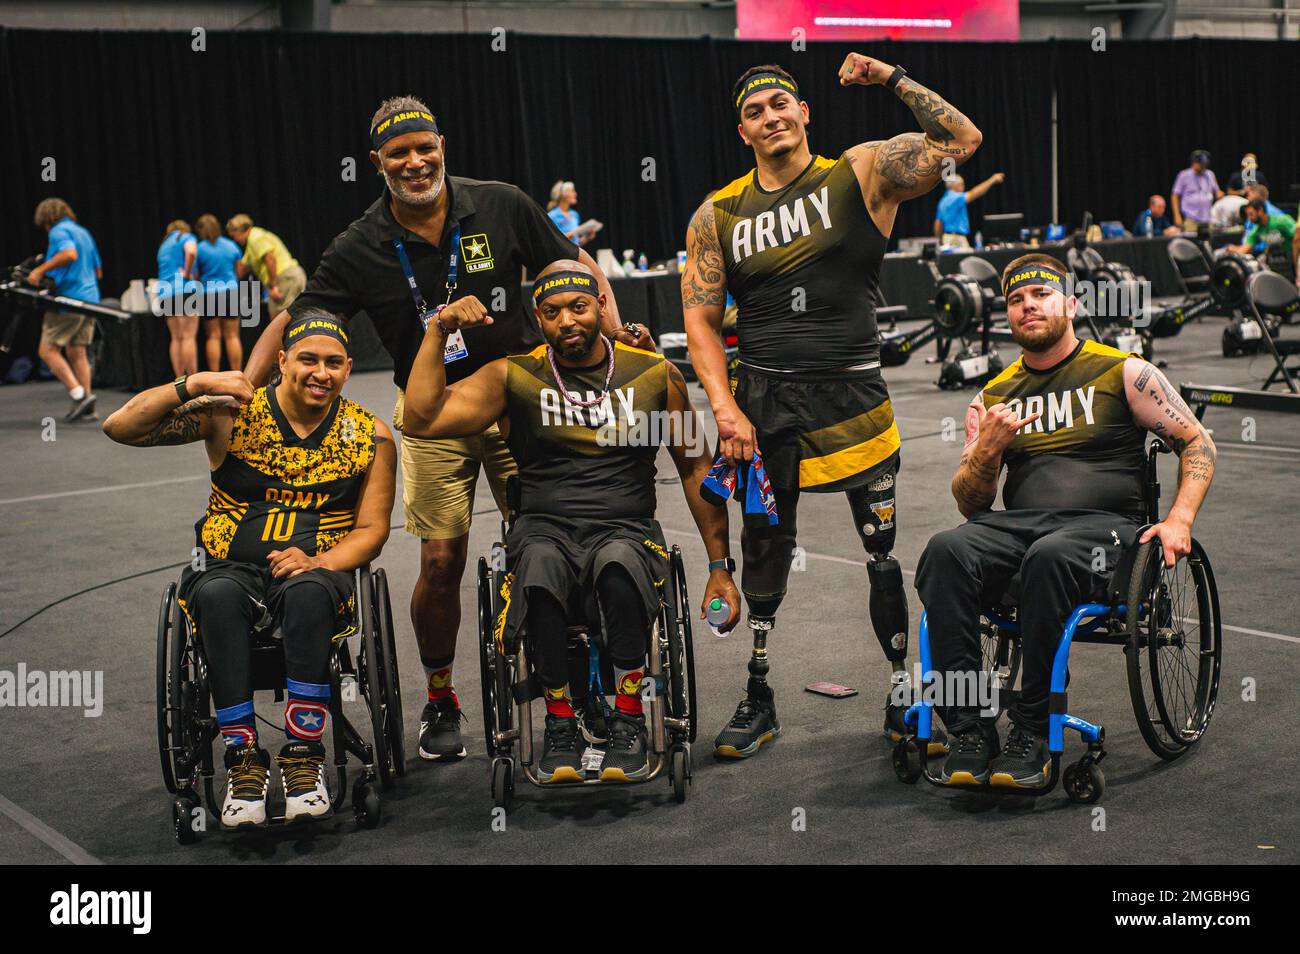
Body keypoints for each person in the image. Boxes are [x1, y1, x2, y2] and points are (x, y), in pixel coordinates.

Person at [242, 95, 649, 764]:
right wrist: (247, 383)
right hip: (432, 412)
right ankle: (439, 696)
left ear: (441, 145)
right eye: (397, 153)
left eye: (423, 147)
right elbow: (298, 319)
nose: (414, 161)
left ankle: (580, 687)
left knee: (565, 539)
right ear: (376, 163)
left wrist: (618, 332)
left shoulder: (502, 203)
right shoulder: (359, 245)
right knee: (439, 561)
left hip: (520, 397)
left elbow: (568, 267)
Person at [682, 55, 984, 760]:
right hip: (764, 407)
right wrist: (724, 408)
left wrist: (891, 78)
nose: (771, 118)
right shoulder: (718, 212)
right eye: (756, 112)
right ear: (742, 130)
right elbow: (699, 321)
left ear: (805, 112)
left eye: (781, 105)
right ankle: (758, 697)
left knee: (881, 555)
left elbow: (963, 139)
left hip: (854, 399)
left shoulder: (863, 172)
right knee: (767, 551)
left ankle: (903, 693)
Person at [402, 260, 740, 781]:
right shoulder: (513, 376)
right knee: (536, 568)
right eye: (552, 312)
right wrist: (438, 329)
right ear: (538, 319)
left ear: (602, 307)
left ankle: (628, 717)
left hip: (626, 527)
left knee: (619, 566)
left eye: (579, 307)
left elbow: (696, 466)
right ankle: (559, 720)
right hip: (543, 527)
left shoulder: (653, 375)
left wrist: (720, 566)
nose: (567, 321)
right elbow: (422, 417)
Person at [917, 253, 1217, 788]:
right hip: (1019, 528)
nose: (1028, 306)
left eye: (1041, 295)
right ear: (1006, 315)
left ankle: (1032, 727)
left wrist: (1179, 520)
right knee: (945, 550)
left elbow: (1197, 441)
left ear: (1071, 305)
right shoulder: (992, 397)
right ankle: (969, 728)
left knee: (1049, 555)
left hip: (1105, 532)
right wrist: (986, 452)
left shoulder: (1123, 370)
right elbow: (971, 505)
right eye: (1016, 300)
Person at [103, 309, 396, 826]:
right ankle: (241, 757)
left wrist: (319, 559)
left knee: (308, 591)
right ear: (282, 361)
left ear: (349, 368)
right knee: (214, 596)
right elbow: (119, 426)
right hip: (229, 567)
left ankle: (304, 756)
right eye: (307, 359)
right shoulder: (232, 413)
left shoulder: (369, 434)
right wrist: (194, 382)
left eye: (333, 363)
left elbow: (372, 530)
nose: (319, 373)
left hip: (316, 568)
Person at [27, 198, 103, 421]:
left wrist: (40, 271)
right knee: (77, 352)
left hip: (69, 299)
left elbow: (69, 254)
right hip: (90, 299)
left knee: (47, 351)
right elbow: (98, 271)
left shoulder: (58, 231)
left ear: (46, 219)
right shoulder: (83, 232)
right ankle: (88, 405)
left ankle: (79, 394)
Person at [227, 213, 307, 319]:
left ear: (240, 230)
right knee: (296, 318)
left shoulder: (255, 239)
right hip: (293, 276)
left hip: (285, 278)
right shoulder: (254, 239)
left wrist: (273, 286)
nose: (234, 240)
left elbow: (270, 259)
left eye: (234, 236)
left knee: (278, 322)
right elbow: (242, 270)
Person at [194, 213, 245, 371]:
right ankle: (237, 373)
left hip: (209, 293)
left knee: (213, 336)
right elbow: (239, 271)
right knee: (232, 336)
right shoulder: (230, 245)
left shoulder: (199, 248)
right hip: (230, 291)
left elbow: (195, 275)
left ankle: (215, 376)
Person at [157, 220, 200, 377]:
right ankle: (193, 380)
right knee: (188, 336)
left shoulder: (163, 245)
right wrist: (188, 273)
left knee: (176, 338)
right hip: (185, 290)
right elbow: (192, 252)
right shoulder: (185, 237)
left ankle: (180, 380)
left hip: (166, 293)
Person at [933, 172, 1004, 247]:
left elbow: (938, 223)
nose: (964, 187)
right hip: (956, 239)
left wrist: (940, 240)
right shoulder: (956, 198)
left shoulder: (943, 201)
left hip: (947, 238)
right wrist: (992, 180)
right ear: (955, 185)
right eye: (962, 184)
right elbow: (974, 193)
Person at [1170, 149, 1222, 230]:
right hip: (1191, 218)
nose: (1203, 167)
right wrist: (1177, 215)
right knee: (1192, 241)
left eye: (1205, 164)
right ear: (1194, 162)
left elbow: (1217, 191)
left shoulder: (1210, 174)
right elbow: (1175, 195)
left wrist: (1219, 194)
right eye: (1201, 164)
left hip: (1208, 218)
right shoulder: (1184, 175)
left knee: (1209, 241)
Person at [1227, 198, 1296, 258]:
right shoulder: (1257, 231)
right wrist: (1232, 249)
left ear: (1260, 210)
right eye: (1248, 215)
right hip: (1278, 261)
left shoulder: (1282, 221)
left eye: (1251, 214)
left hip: (1294, 255)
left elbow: (1298, 236)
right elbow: (1245, 249)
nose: (1249, 218)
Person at [547, 180, 598, 247]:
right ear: (564, 195)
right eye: (572, 191)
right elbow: (550, 241)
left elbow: (576, 244)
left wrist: (587, 237)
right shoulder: (552, 216)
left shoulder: (574, 214)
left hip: (574, 255)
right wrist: (569, 235)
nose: (575, 194)